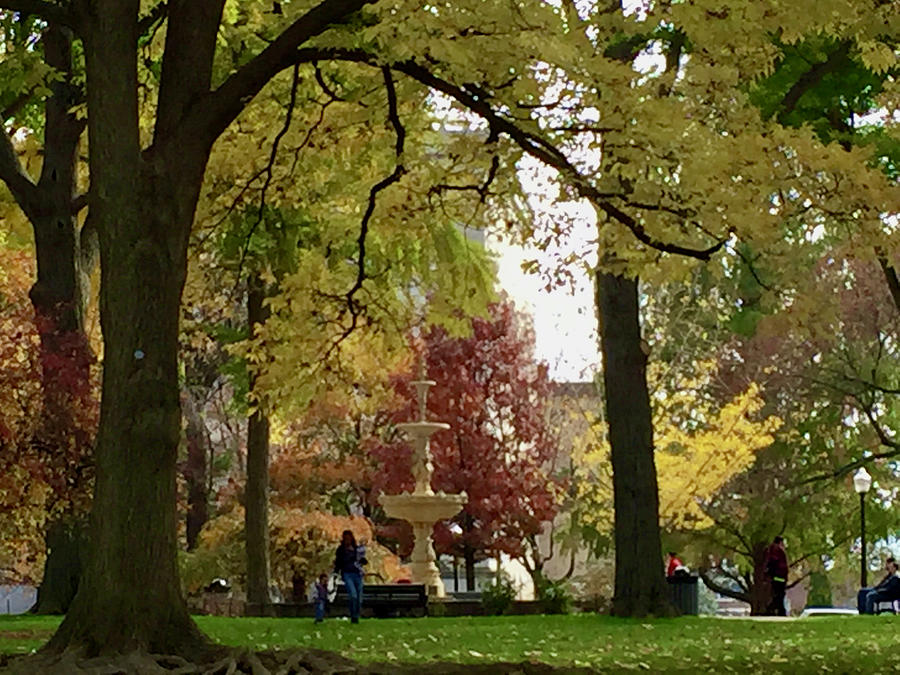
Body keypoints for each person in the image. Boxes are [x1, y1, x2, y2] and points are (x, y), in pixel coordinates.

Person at [334, 529, 367, 623]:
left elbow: (361, 560)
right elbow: (338, 562)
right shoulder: (341, 550)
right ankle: (353, 615)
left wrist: (363, 561)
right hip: (347, 573)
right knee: (353, 595)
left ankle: (356, 615)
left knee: (359, 598)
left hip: (358, 574)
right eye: (346, 539)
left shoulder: (357, 549)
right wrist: (336, 573)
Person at [764, 536, 788, 616]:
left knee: (778, 595)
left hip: (777, 576)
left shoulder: (771, 550)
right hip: (779, 576)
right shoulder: (777, 550)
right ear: (780, 542)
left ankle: (777, 611)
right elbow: (775, 562)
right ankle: (774, 610)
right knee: (779, 595)